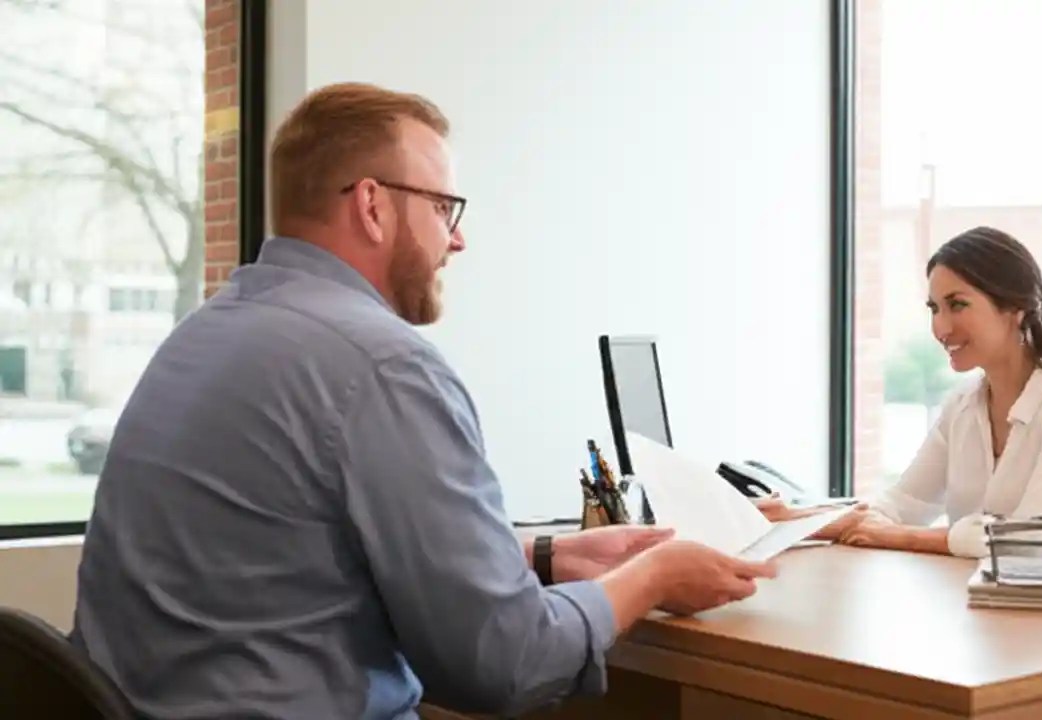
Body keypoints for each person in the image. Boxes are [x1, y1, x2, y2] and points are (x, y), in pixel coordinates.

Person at [70, 82, 776, 720]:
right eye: (444, 208)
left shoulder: (206, 333)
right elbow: (504, 666)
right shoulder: (382, 365)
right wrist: (653, 575)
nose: (458, 237)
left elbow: (293, 557)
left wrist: (543, 556)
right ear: (372, 205)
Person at [818, 226, 1042, 557]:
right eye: (934, 309)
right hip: (992, 603)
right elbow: (901, 505)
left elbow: (1026, 542)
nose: (940, 328)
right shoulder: (963, 402)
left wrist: (900, 538)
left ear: (1015, 309)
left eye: (957, 305)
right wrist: (791, 522)